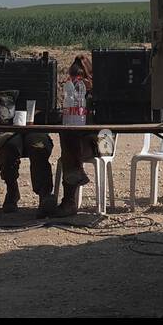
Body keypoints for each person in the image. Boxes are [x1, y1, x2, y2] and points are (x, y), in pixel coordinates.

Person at [0, 46, 57, 217]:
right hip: (7, 129)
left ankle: (44, 196)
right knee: (8, 147)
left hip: (33, 127)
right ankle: (12, 191)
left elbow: (49, 107)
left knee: (38, 146)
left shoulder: (33, 79)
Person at [54, 55, 97, 217]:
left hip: (98, 142)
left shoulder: (99, 93)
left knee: (70, 142)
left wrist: (91, 93)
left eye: (80, 78)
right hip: (77, 143)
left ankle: (69, 201)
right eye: (73, 78)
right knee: (69, 136)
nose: (76, 82)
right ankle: (76, 174)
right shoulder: (70, 94)